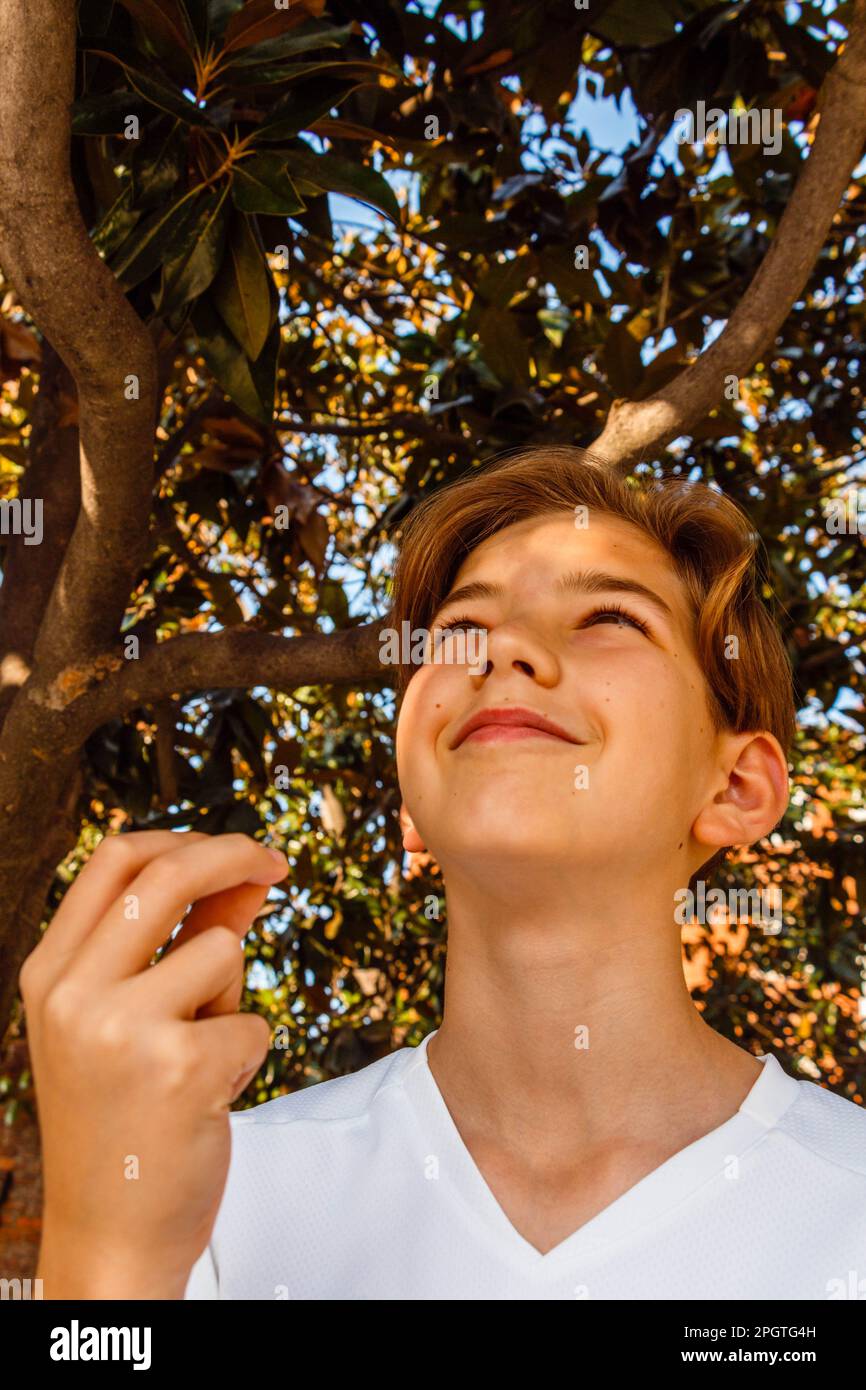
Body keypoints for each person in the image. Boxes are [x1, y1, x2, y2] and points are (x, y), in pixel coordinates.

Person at [23, 447, 866, 1301]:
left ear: (736, 787)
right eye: (460, 631)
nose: (501, 648)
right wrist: (104, 1252)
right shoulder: (217, 1196)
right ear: (412, 807)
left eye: (610, 617)